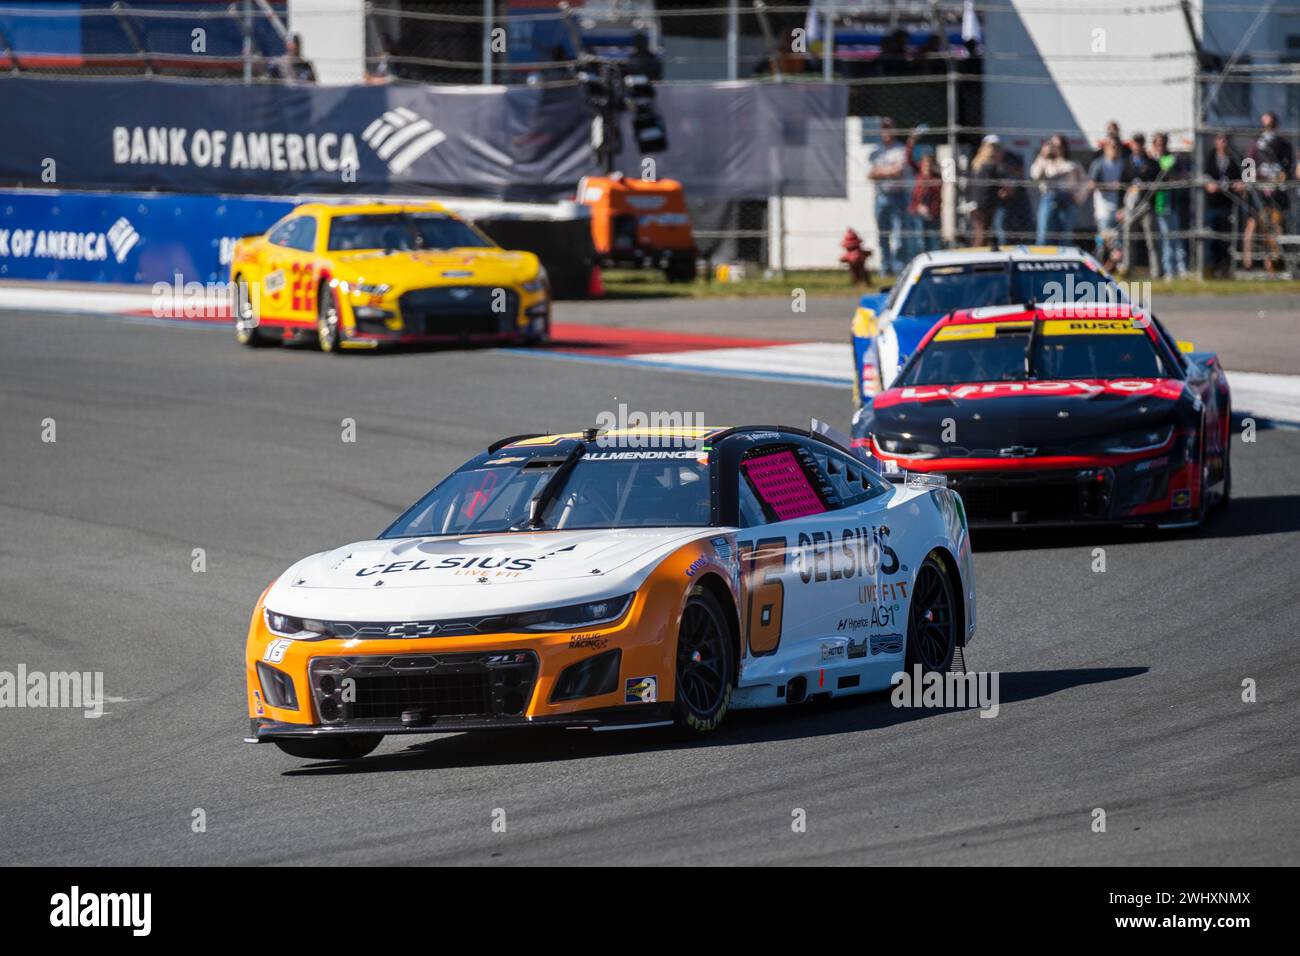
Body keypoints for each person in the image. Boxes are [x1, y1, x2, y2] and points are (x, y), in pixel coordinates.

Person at [1242, 112, 1294, 272]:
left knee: (1274, 226)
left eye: (1270, 126)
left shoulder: (1283, 145)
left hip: (1276, 192)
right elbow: (1247, 164)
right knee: (1252, 224)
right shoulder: (1255, 144)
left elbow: (1288, 168)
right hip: (1258, 191)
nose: (1268, 129)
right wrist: (1250, 178)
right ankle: (1247, 261)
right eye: (1265, 126)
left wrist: (1282, 176)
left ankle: (1271, 263)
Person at [868, 118, 915, 275]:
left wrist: (881, 171)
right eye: (884, 128)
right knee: (883, 235)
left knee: (899, 234)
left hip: (898, 196)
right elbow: (871, 174)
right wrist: (887, 171)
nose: (886, 132)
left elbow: (898, 172)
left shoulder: (900, 149)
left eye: (889, 128)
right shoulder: (876, 150)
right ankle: (885, 267)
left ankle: (898, 267)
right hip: (881, 196)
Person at [1030, 134, 1085, 244]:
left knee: (1065, 236)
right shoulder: (1045, 163)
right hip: (1049, 197)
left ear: (1064, 147)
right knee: (1044, 235)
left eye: (1059, 145)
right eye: (1053, 145)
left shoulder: (1073, 164)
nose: (1056, 148)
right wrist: (1042, 155)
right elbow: (1034, 175)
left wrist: (1078, 197)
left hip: (1068, 199)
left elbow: (1086, 182)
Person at [1120, 133, 1161, 276]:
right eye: (1135, 143)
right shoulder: (1126, 163)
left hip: (1147, 205)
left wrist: (1146, 184)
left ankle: (1156, 271)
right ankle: (1127, 269)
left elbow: (1157, 181)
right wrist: (1121, 208)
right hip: (1130, 206)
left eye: (1140, 143)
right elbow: (1122, 185)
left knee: (1151, 240)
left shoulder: (1151, 163)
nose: (1138, 146)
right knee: (1128, 239)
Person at [1203, 133, 1243, 277]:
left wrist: (1241, 182)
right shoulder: (1210, 156)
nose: (1223, 142)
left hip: (1228, 203)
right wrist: (1209, 183)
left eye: (1225, 140)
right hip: (1213, 203)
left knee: (1226, 239)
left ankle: (1225, 268)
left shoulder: (1235, 157)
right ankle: (1211, 267)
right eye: (1220, 139)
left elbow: (1244, 173)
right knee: (1212, 237)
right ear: (1216, 141)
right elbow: (1205, 175)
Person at [1087, 137, 1130, 269]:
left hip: (1119, 209)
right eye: (1112, 147)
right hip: (1103, 209)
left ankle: (1119, 269)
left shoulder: (1123, 164)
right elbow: (1091, 184)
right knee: (1103, 241)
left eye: (1117, 147)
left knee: (1118, 242)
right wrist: (1110, 186)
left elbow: (1127, 186)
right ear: (1106, 148)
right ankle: (1099, 267)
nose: (1115, 150)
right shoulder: (1099, 164)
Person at [1150, 132, 1189, 278]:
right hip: (1158, 204)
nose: (1160, 147)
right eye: (1157, 144)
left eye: (1162, 144)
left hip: (1172, 203)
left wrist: (1172, 177)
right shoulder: (1152, 160)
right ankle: (1169, 270)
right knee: (1165, 239)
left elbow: (1184, 176)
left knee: (1175, 237)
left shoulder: (1172, 159)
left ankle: (1181, 268)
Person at [968, 135, 1007, 247]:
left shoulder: (977, 164)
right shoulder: (991, 166)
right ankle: (976, 256)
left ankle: (977, 253)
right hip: (984, 205)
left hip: (976, 204)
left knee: (980, 231)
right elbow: (998, 186)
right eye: (992, 147)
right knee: (982, 232)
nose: (994, 150)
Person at [909, 152, 943, 252]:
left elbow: (936, 195)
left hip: (932, 215)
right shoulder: (918, 175)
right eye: (925, 163)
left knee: (934, 241)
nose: (927, 166)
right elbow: (909, 160)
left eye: (929, 163)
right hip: (918, 213)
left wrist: (928, 177)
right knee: (920, 241)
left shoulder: (936, 178)